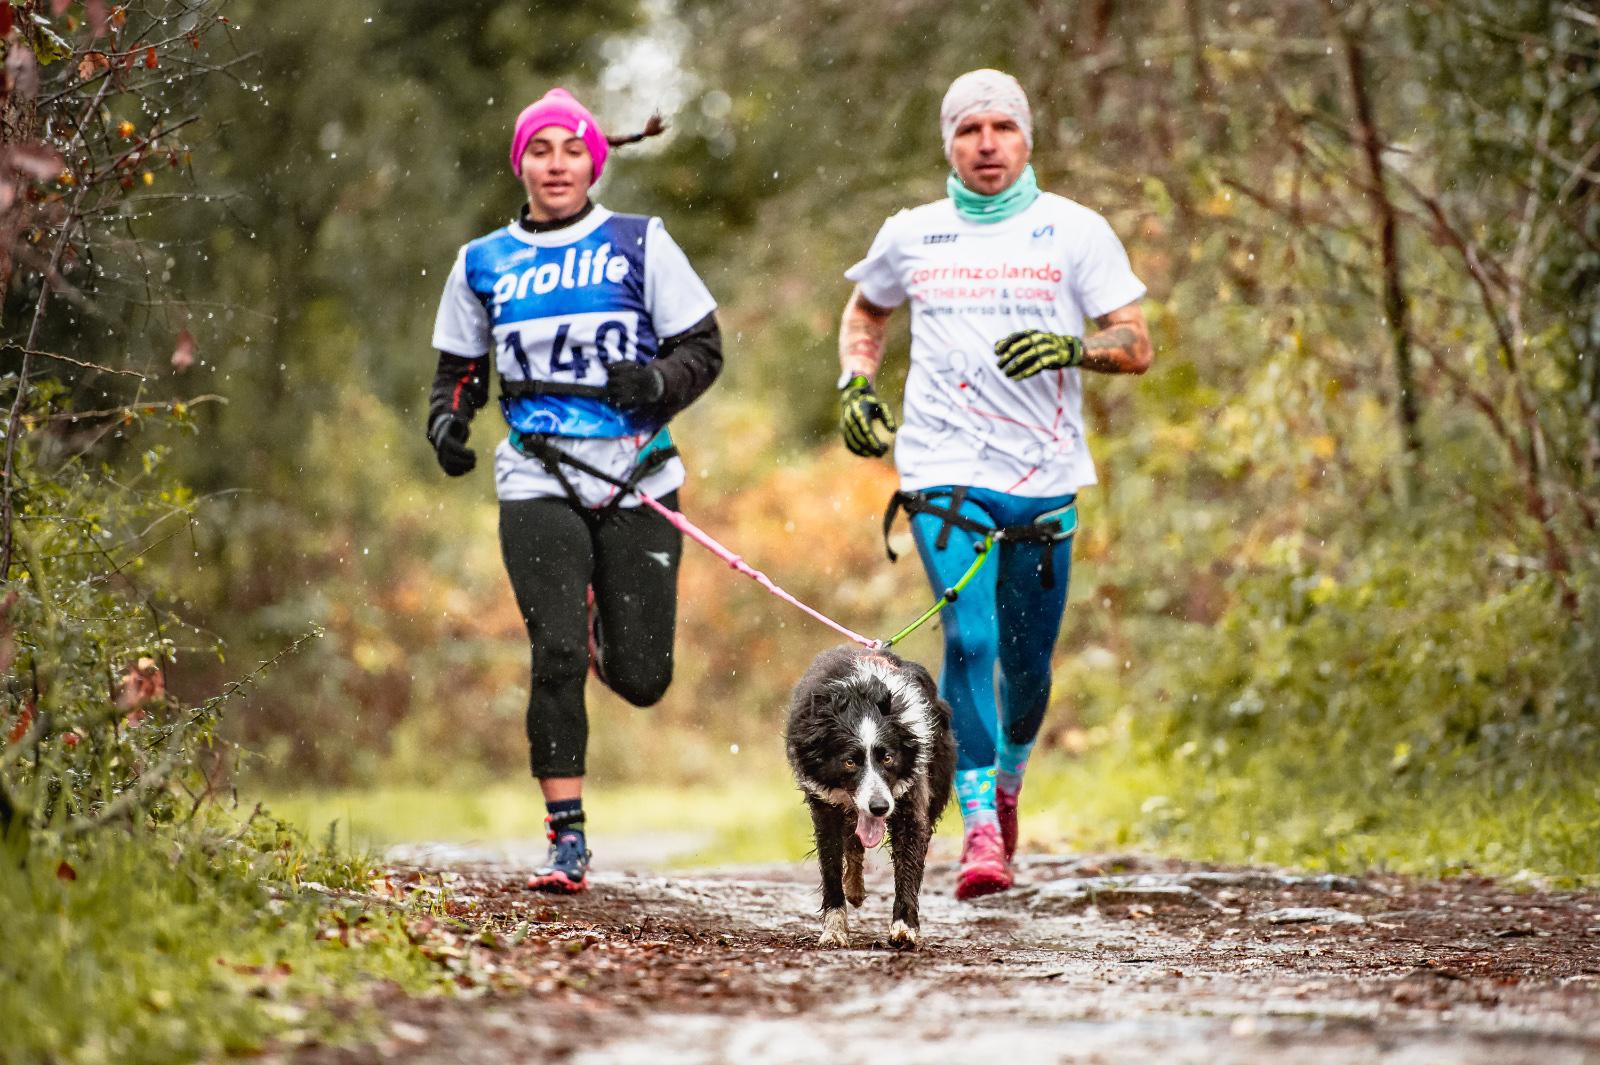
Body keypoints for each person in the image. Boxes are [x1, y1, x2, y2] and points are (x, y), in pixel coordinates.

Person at [836, 69, 1151, 900]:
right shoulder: (912, 233)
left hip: (1043, 478)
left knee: (1028, 662)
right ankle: (977, 826)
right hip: (942, 468)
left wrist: (1073, 349)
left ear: (1026, 139)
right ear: (947, 141)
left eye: (1001, 128)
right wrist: (855, 383)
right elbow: (867, 311)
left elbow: (1137, 340)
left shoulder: (1074, 231)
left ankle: (1008, 778)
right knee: (968, 642)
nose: (985, 143)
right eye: (968, 129)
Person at [427, 88, 722, 893]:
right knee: (551, 650)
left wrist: (657, 380)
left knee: (643, 678)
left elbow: (703, 347)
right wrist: (449, 424)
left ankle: (601, 625)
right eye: (540, 150)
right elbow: (459, 371)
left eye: (570, 150)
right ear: (519, 161)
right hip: (538, 474)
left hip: (637, 476)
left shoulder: (638, 242)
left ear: (595, 159)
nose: (555, 165)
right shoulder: (481, 261)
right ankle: (566, 836)